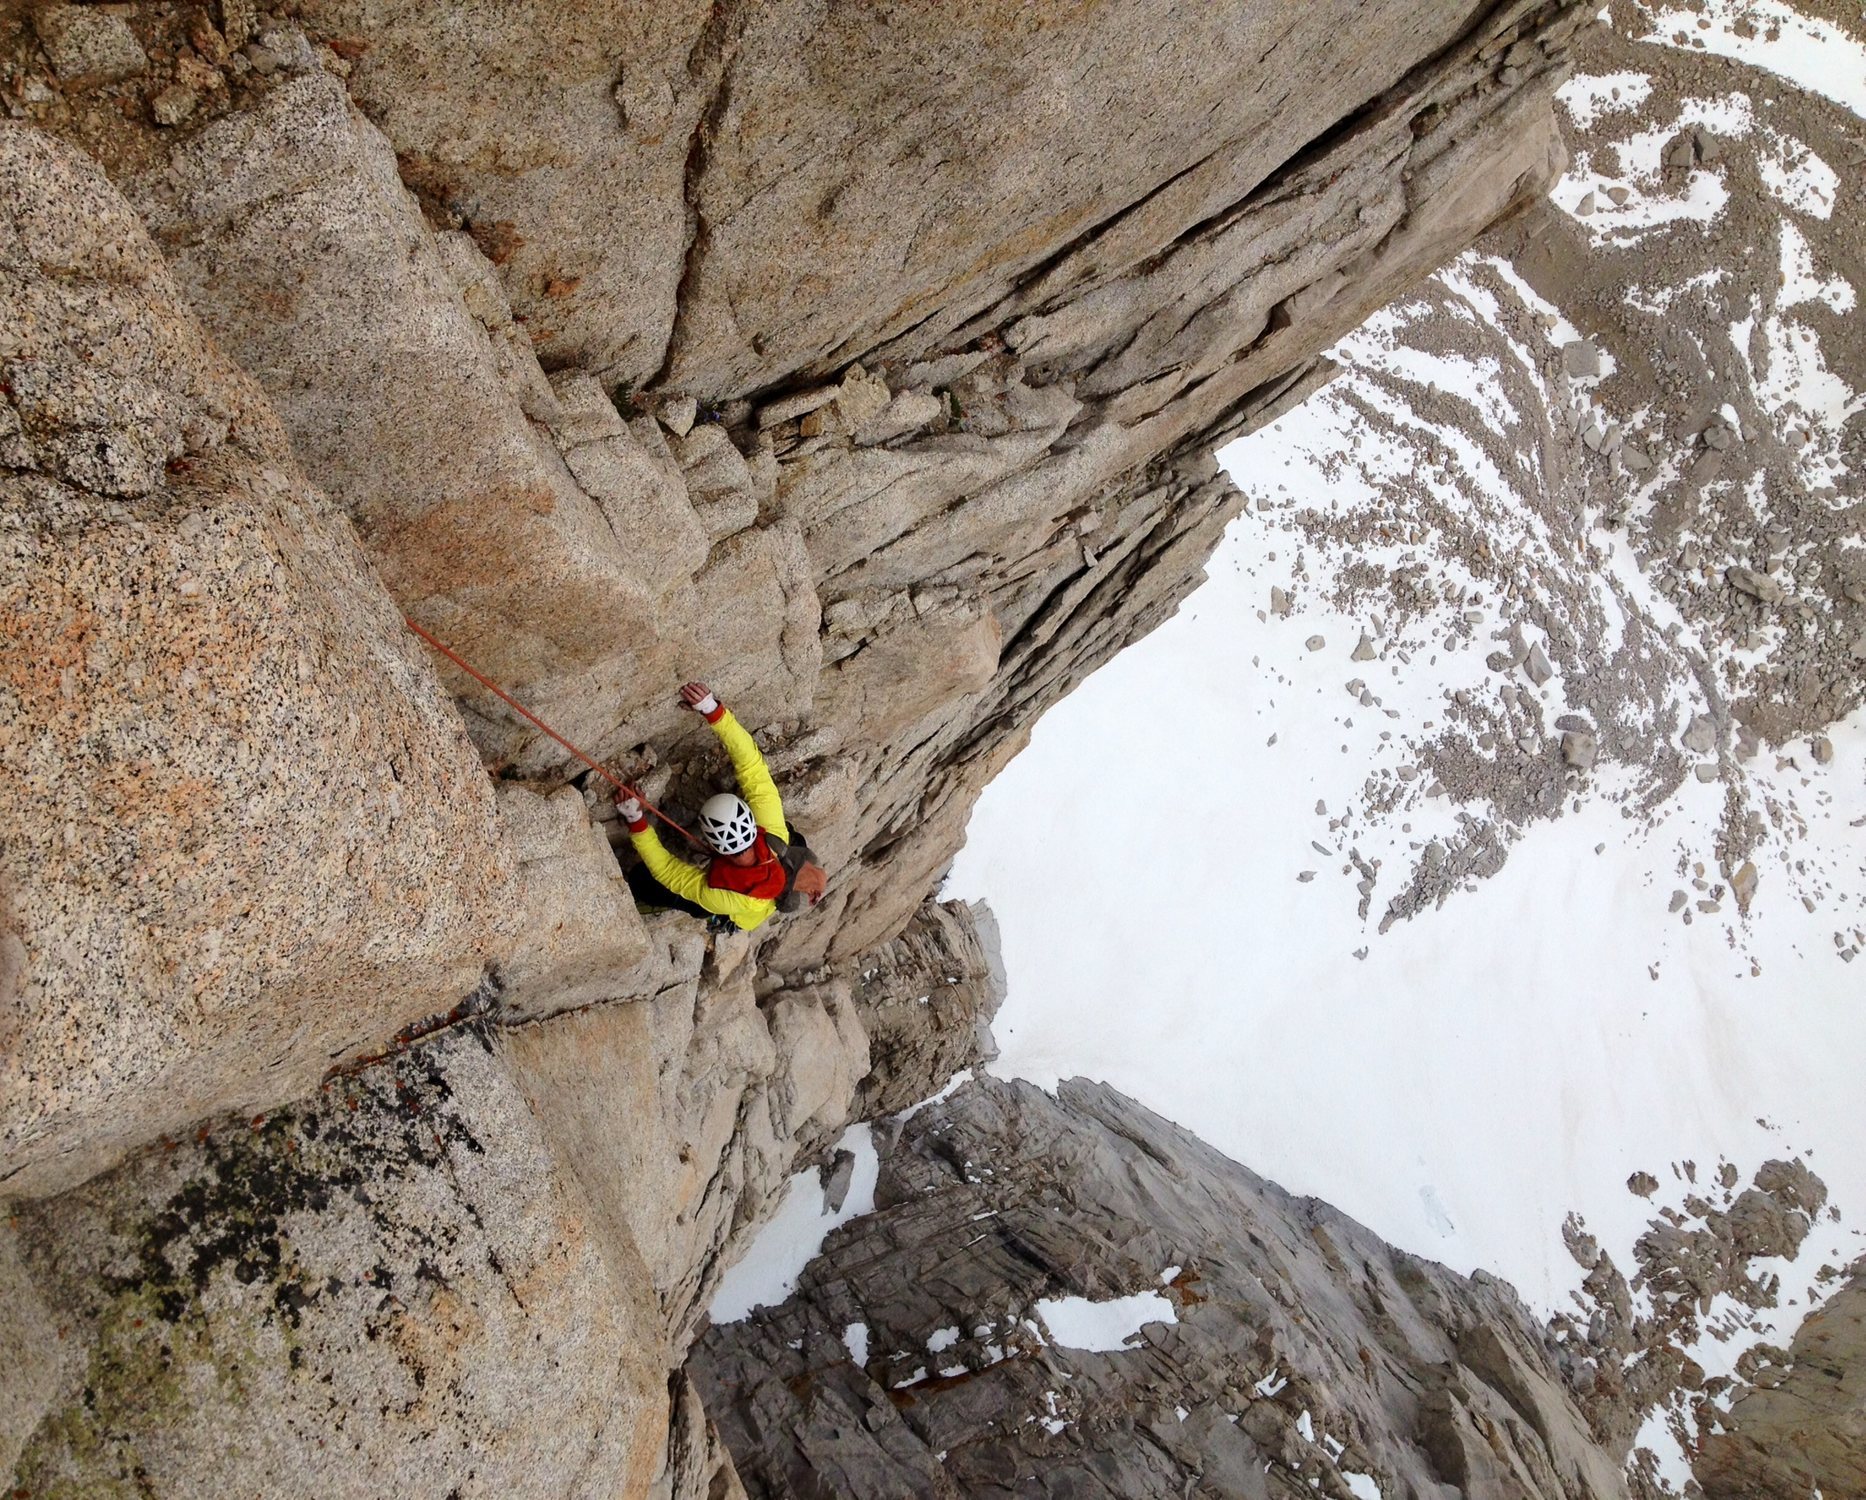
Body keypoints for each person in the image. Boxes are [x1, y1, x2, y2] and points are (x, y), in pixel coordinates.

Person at [618, 681, 793, 932]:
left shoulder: (720, 897)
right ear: (754, 824)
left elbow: (669, 873)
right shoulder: (775, 834)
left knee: (646, 883)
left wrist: (636, 821)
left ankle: (650, 904)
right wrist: (713, 711)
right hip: (767, 887)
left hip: (738, 914)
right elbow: (752, 768)